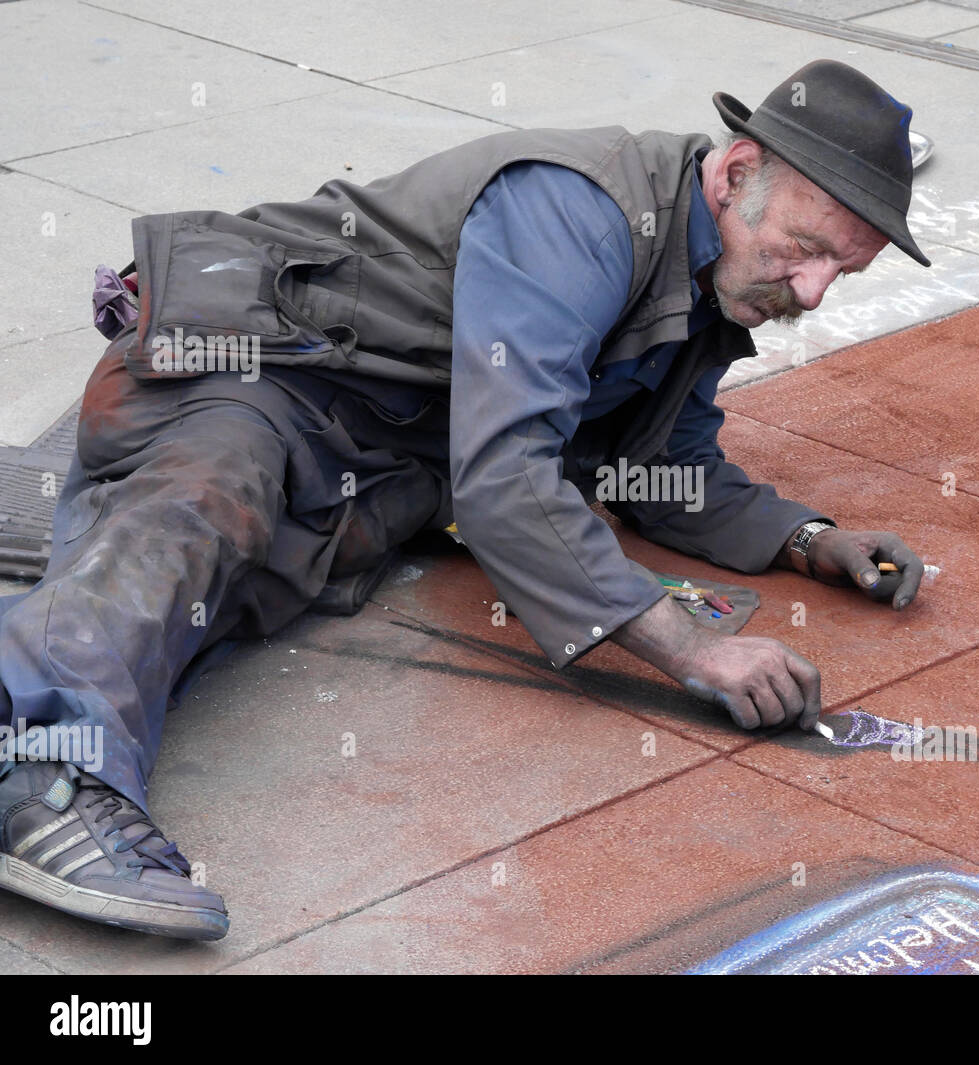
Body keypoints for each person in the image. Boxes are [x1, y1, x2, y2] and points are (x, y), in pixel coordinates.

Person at [0, 60, 931, 940]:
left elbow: (661, 468)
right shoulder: (582, 211)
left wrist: (809, 538)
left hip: (372, 454)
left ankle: (79, 585)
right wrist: (692, 649)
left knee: (226, 590)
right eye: (805, 251)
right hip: (254, 372)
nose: (810, 290)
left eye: (839, 273)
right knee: (210, 502)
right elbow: (507, 475)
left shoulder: (716, 277)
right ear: (735, 174)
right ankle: (42, 770)